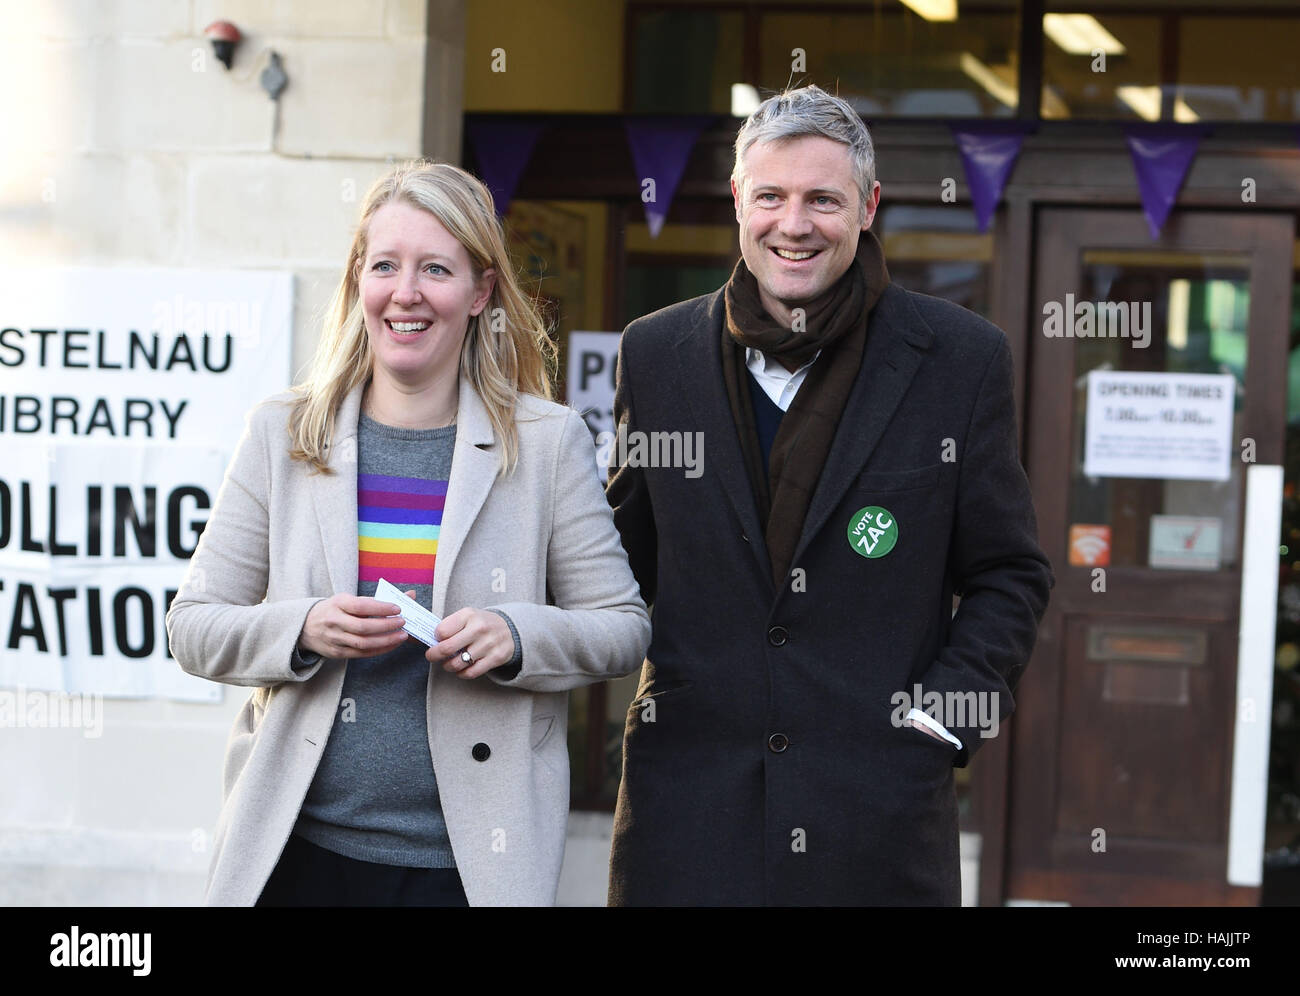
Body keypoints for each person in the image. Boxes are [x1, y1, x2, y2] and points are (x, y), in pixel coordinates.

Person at [605, 85, 1054, 906]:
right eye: (771, 196)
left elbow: (1009, 573)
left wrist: (942, 720)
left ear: (868, 206)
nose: (794, 223)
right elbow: (615, 564)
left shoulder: (960, 360)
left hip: (876, 819)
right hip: (688, 816)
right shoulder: (656, 353)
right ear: (738, 200)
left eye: (823, 199)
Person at [167, 159, 650, 907]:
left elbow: (621, 628)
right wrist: (304, 627)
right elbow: (192, 628)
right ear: (358, 280)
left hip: (467, 868)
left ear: (480, 292)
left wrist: (516, 636)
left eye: (436, 269)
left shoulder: (547, 443)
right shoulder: (282, 434)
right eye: (385, 265)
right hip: (296, 854)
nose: (407, 292)